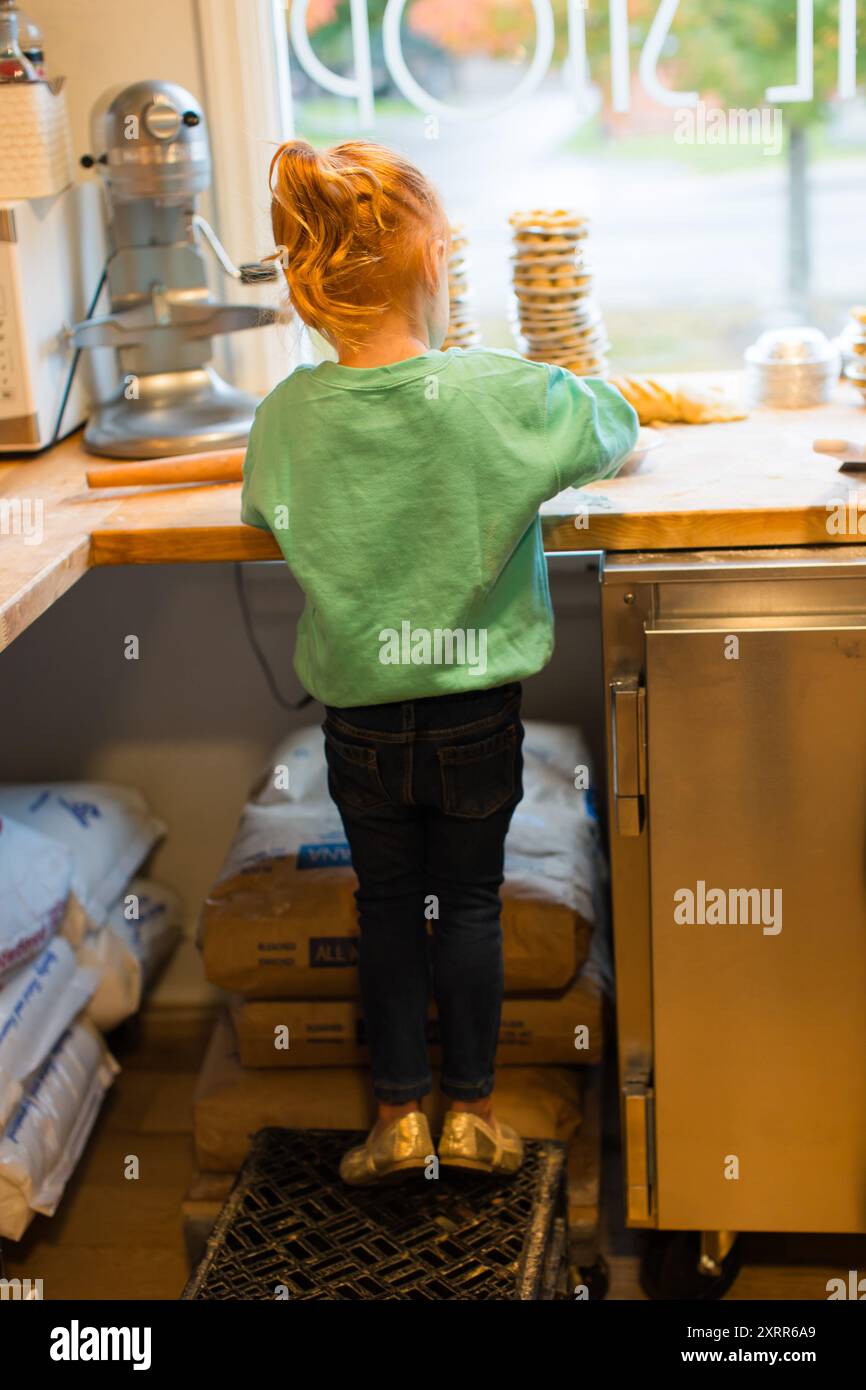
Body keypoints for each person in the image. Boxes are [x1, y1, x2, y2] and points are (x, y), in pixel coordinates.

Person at [241, 139, 638, 1186]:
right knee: (465, 905)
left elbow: (258, 504)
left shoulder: (285, 413)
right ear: (434, 269)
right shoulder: (498, 394)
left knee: (385, 907)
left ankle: (394, 1122)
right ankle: (470, 1113)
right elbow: (613, 424)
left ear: (311, 285)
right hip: (474, 715)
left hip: (361, 721)